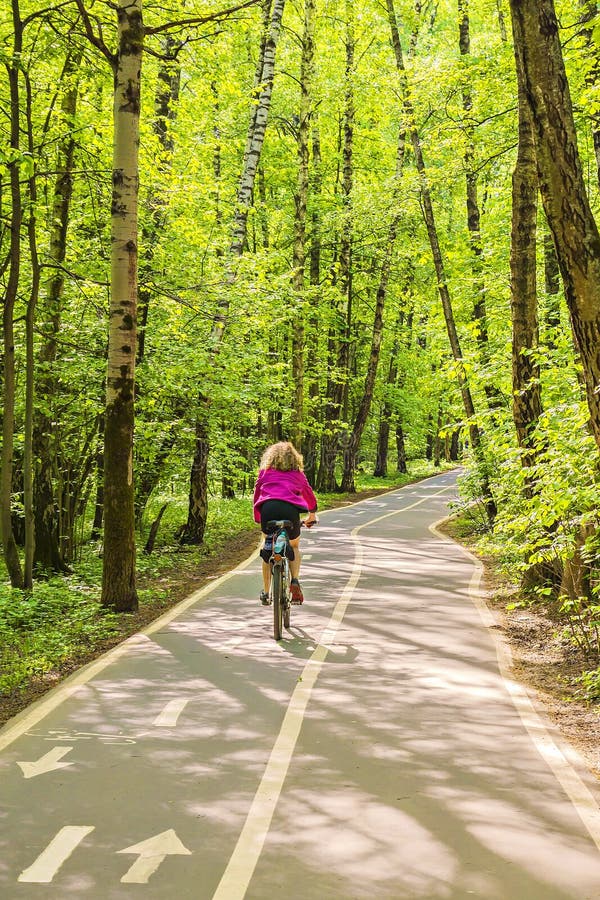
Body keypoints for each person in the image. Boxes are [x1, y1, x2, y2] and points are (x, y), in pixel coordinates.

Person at [253, 441, 318, 606]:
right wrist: (312, 514)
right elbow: (308, 494)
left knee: (267, 548)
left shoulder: (265, 473)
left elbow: (257, 494)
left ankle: (267, 592)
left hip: (268, 510)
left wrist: (258, 517)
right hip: (290, 512)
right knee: (294, 546)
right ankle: (294, 580)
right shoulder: (298, 474)